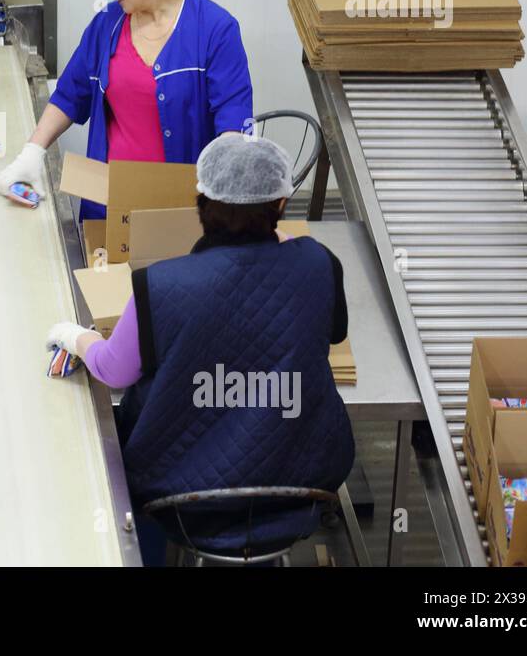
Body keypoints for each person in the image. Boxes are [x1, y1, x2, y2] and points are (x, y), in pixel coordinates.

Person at [46, 134, 355, 565]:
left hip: (180, 497)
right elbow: (335, 333)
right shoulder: (319, 263)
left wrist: (75, 336)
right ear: (282, 203)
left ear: (201, 203)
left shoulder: (160, 284)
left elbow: (114, 371)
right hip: (302, 483)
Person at [0, 0, 253, 219]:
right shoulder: (107, 25)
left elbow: (233, 118)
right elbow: (69, 95)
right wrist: (32, 152)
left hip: (185, 207)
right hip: (111, 202)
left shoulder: (214, 29)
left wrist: (223, 189)